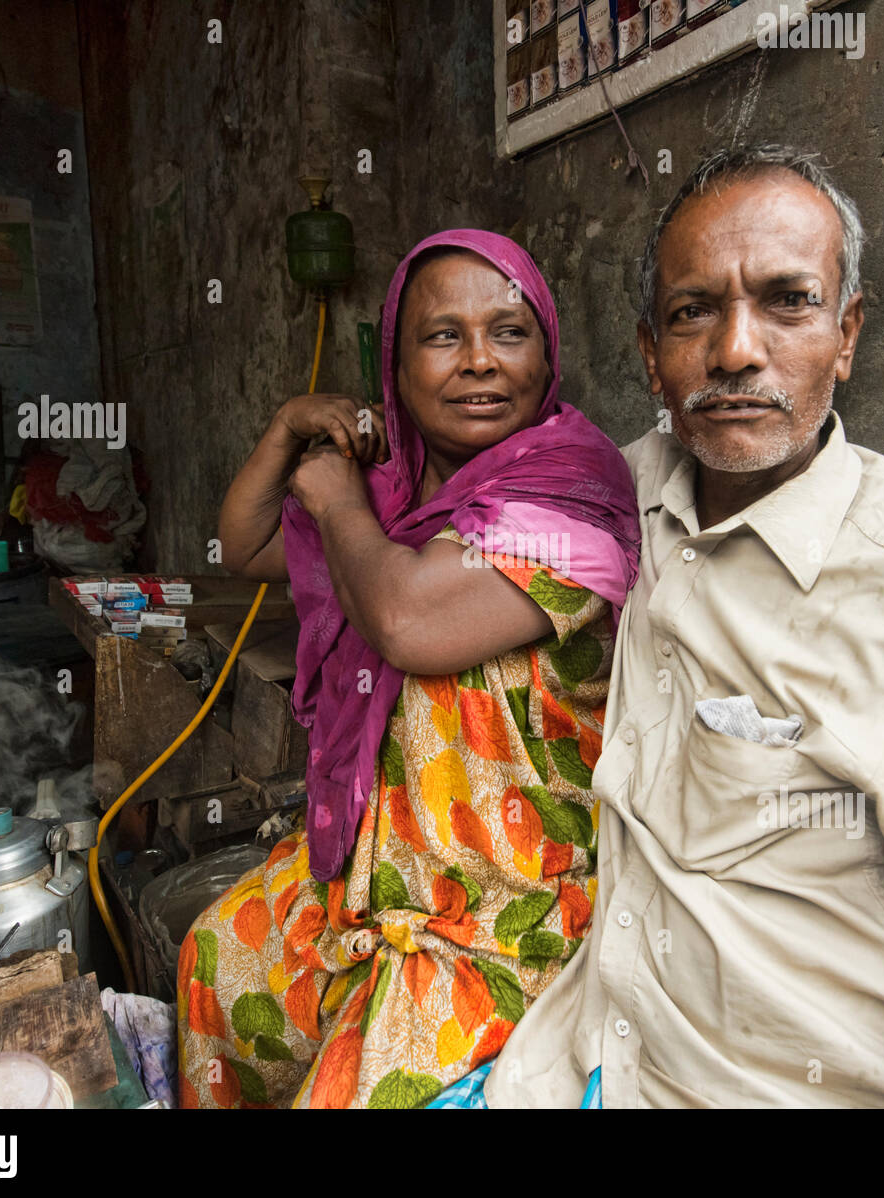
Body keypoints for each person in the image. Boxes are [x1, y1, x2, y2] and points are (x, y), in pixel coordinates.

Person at [457, 144, 884, 1108]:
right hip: (566, 1065)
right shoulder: (612, 500)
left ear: (846, 335)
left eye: (788, 301)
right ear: (650, 351)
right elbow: (432, 553)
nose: (736, 349)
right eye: (694, 312)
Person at [176, 230, 641, 1109]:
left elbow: (405, 618)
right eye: (442, 336)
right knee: (215, 961)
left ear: (548, 355)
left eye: (509, 332)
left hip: (504, 916)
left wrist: (337, 498)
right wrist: (286, 432)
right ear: (394, 366)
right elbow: (245, 544)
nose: (478, 363)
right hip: (378, 873)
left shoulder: (571, 496)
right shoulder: (402, 498)